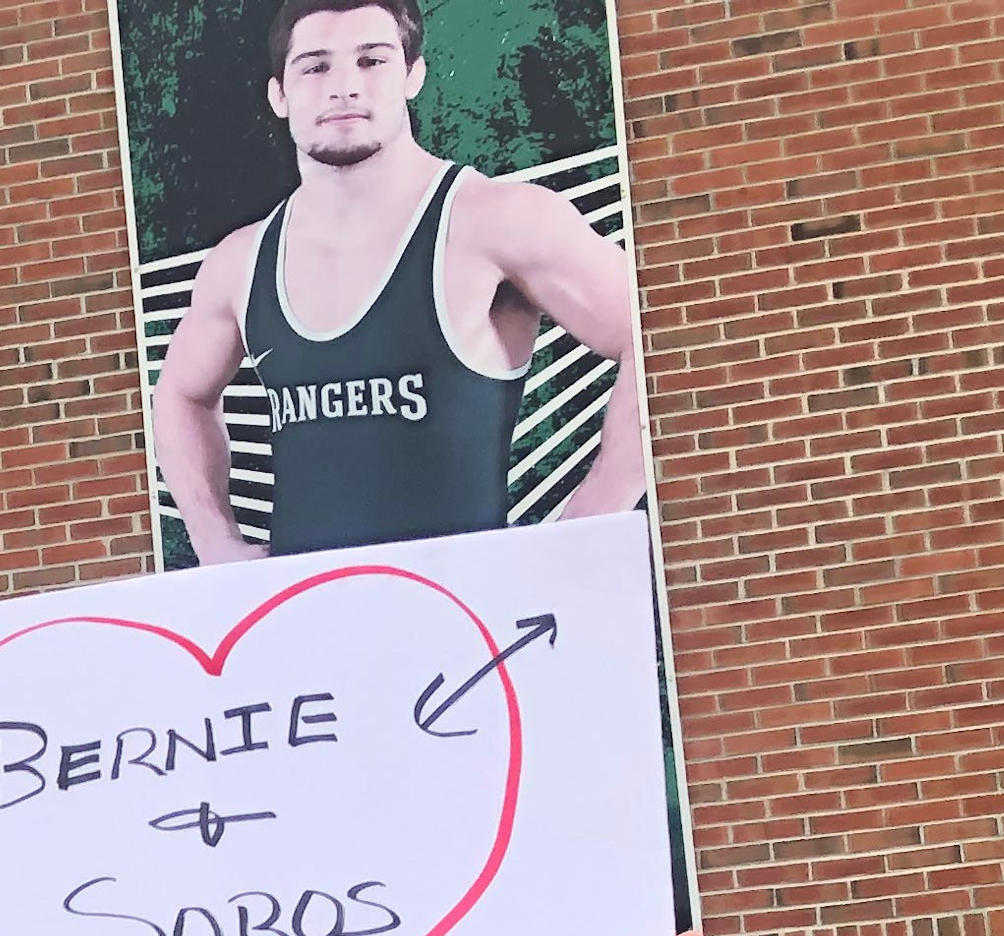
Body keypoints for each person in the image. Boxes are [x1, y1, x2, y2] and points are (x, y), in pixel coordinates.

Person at [149, 0, 650, 562]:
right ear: (278, 94)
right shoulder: (238, 263)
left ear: (414, 76)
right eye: (314, 66)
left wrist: (589, 525)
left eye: (371, 61)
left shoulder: (497, 221)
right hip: (305, 632)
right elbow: (180, 395)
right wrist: (216, 542)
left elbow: (656, 332)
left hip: (470, 626)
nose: (343, 87)